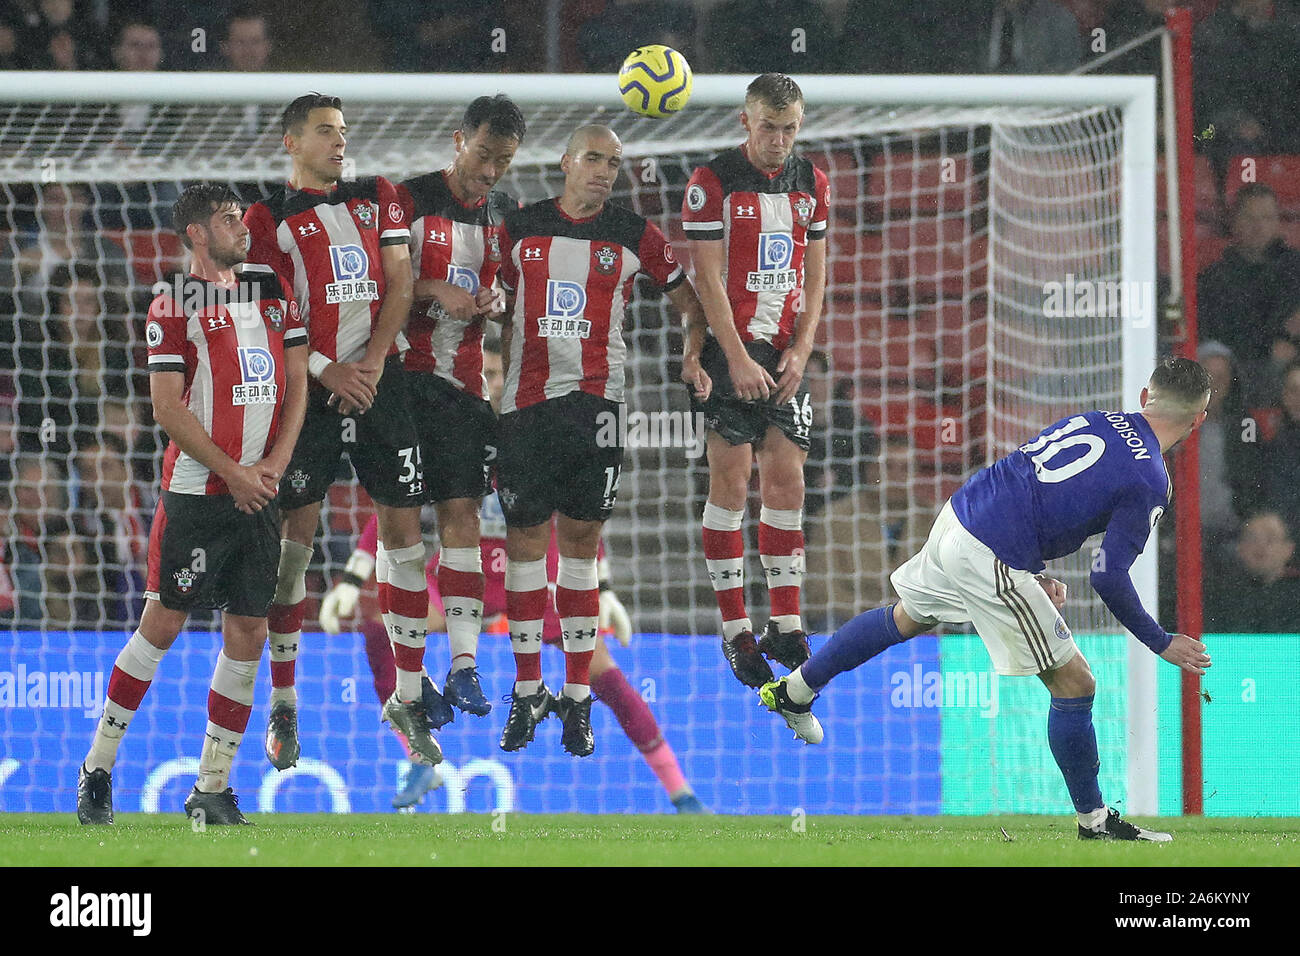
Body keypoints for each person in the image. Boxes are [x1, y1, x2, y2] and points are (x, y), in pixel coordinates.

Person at [760, 358, 1214, 842]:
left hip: (963, 511)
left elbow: (1030, 482)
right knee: (1075, 684)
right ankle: (1095, 823)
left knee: (907, 617)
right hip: (992, 552)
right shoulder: (1150, 479)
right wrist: (1159, 640)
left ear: (1146, 397)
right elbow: (1107, 576)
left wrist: (1034, 571)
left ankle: (795, 690)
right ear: (1199, 418)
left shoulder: (1099, 419)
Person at [321, 337, 706, 811]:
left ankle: (680, 792)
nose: (491, 380)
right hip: (463, 575)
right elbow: (398, 503)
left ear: (513, 375)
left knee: (602, 673)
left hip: (532, 576)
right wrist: (354, 578)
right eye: (483, 371)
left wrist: (603, 588)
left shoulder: (535, 428)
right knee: (384, 628)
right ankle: (421, 758)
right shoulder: (456, 426)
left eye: (499, 371)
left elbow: (578, 515)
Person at [76, 183, 308, 825]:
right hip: (198, 496)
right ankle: (97, 767)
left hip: (258, 492)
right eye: (230, 220)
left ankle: (211, 787)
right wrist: (233, 472)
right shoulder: (174, 302)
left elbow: (295, 386)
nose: (243, 228)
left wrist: (272, 469)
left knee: (249, 632)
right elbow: (167, 406)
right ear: (198, 234)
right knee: (163, 625)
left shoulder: (268, 289)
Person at [493, 123, 710, 757]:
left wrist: (693, 355)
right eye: (594, 159)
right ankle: (528, 689)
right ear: (564, 161)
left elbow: (690, 305)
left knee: (580, 553)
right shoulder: (519, 227)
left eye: (614, 163)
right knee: (527, 547)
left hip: (600, 410)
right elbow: (491, 304)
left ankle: (577, 698)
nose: (604, 172)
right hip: (525, 408)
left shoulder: (635, 234)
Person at [240, 93, 438, 775]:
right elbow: (271, 311)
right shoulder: (265, 219)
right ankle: (285, 702)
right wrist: (328, 370)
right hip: (308, 396)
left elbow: (400, 282)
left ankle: (409, 697)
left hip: (380, 387)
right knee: (293, 556)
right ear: (290, 141)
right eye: (325, 132)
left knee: (406, 541)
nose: (339, 142)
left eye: (344, 132)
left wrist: (374, 362)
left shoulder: (377, 196)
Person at [681, 73, 829, 689]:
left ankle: (786, 622)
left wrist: (802, 348)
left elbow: (816, 275)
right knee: (732, 482)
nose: (779, 139)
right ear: (746, 122)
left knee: (788, 480)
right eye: (769, 126)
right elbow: (707, 280)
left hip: (783, 352)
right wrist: (736, 359)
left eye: (790, 128)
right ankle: (736, 630)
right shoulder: (711, 182)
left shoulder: (812, 182)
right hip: (727, 352)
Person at [389, 94, 525, 717]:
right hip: (399, 380)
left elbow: (512, 291)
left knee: (463, 517)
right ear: (457, 140)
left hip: (465, 386)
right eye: (483, 154)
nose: (491, 170)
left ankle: (465, 666)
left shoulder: (506, 211)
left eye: (503, 159)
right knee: (402, 532)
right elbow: (374, 286)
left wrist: (493, 302)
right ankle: (412, 685)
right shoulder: (408, 199)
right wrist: (430, 287)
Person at [1198, 184, 1300, 399]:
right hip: (1244, 369)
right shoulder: (1216, 277)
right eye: (1250, 218)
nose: (1259, 227)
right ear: (1234, 223)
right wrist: (1275, 343)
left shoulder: (1295, 266)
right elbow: (1222, 335)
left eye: (1266, 218)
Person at [1203, 510, 1300, 633]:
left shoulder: (1295, 596)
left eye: (1270, 538)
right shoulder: (1220, 596)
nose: (1261, 545)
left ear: (1288, 548)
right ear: (1240, 548)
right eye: (1252, 538)